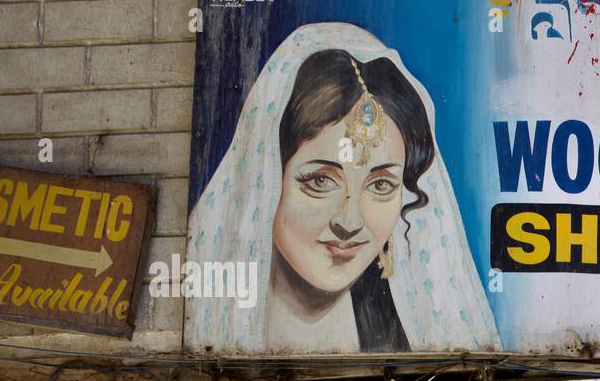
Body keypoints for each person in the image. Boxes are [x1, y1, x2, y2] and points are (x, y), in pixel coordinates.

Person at [187, 23, 500, 354]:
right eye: (320, 181)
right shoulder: (211, 326)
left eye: (381, 184)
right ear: (266, 177)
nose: (350, 222)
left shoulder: (412, 329)